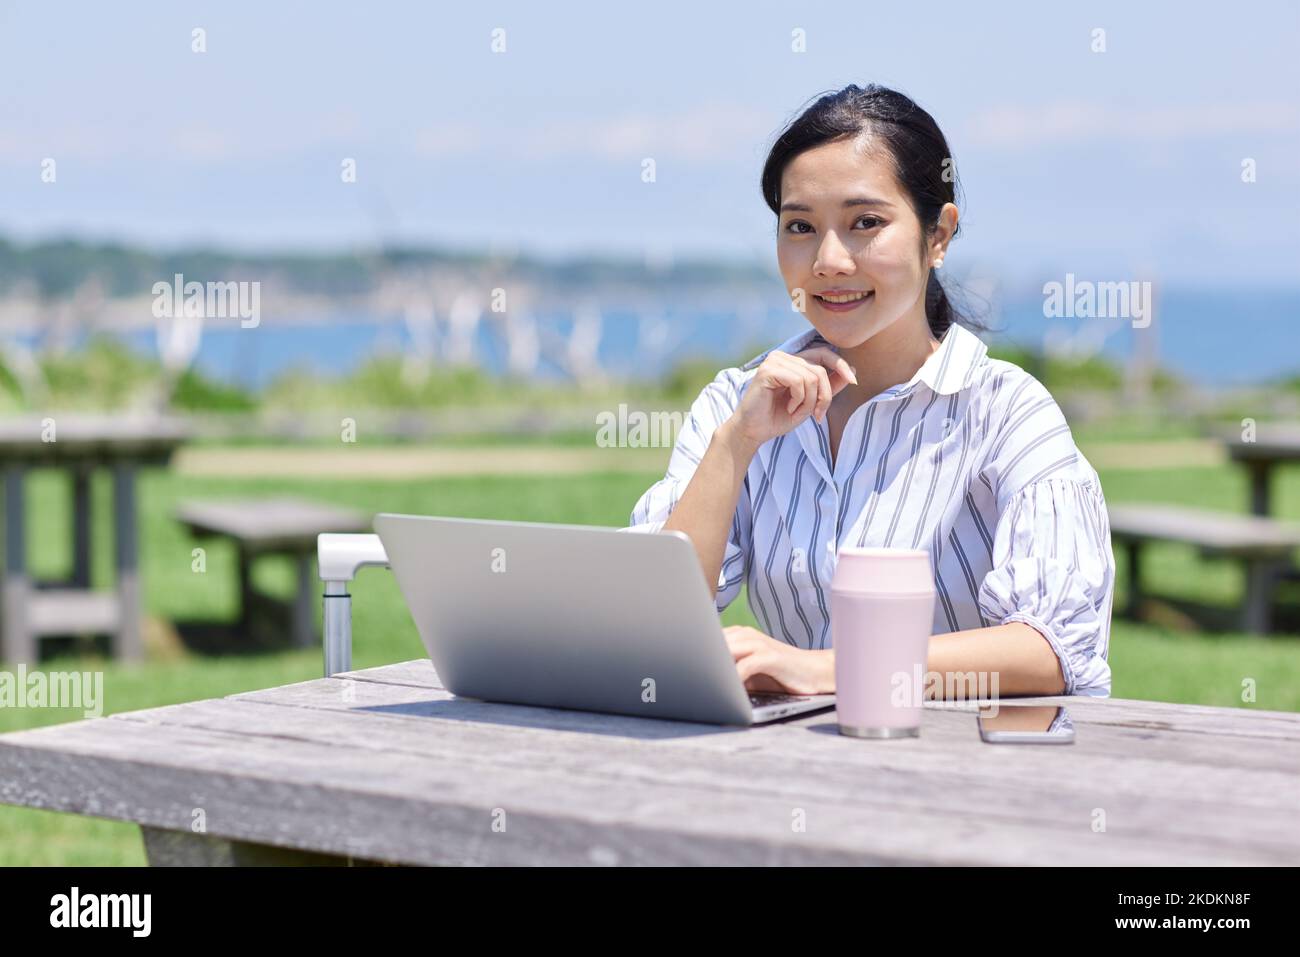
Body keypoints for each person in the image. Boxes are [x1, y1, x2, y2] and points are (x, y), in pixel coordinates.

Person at [624, 84, 1114, 699]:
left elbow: (1056, 647)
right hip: (785, 765)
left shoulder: (1005, 412)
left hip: (971, 768)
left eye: (866, 224)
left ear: (938, 235)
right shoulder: (735, 403)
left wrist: (826, 670)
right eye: (799, 225)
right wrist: (736, 443)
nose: (828, 259)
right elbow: (653, 620)